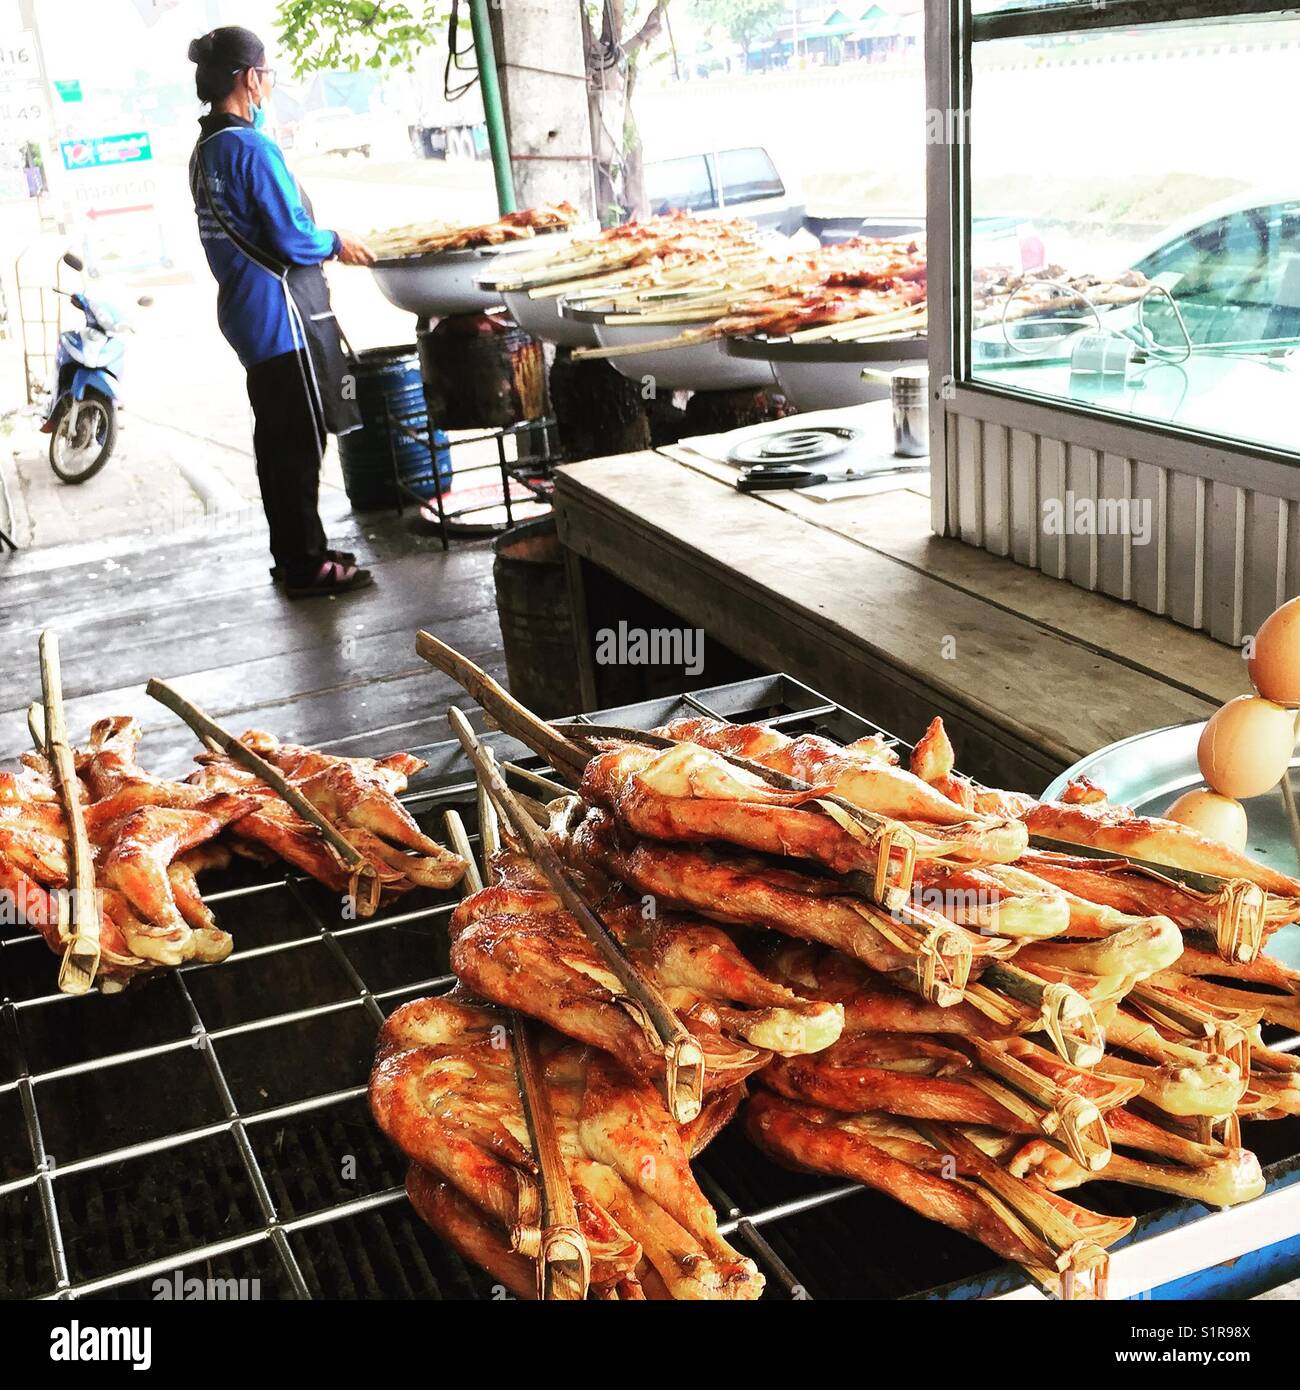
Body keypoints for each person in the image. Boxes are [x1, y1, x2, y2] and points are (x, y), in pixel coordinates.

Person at [187, 25, 376, 597]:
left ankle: (296, 552)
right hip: (281, 315)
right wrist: (337, 240)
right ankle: (307, 565)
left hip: (248, 316)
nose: (269, 83)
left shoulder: (205, 152)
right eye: (266, 73)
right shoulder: (250, 148)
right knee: (297, 443)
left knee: (278, 441)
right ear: (249, 79)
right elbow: (293, 238)